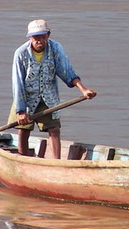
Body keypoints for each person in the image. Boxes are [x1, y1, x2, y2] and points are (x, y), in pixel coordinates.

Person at [10, 19, 96, 158]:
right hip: (26, 98)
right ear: (30, 37)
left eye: (43, 37)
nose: (40, 40)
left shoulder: (55, 48)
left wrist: (83, 89)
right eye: (36, 37)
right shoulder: (21, 53)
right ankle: (22, 159)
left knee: (54, 129)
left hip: (48, 96)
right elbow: (17, 82)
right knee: (23, 129)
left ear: (48, 35)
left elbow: (67, 72)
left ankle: (56, 161)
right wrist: (20, 110)